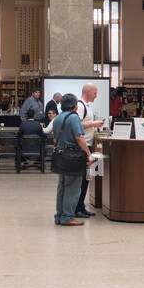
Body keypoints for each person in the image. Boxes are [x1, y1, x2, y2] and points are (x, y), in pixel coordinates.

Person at [53, 93, 90, 227]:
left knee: (62, 187)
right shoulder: (73, 117)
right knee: (73, 188)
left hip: (61, 156)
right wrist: (88, 154)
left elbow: (55, 139)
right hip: (72, 157)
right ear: (75, 105)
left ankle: (59, 215)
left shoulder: (57, 118)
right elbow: (79, 137)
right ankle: (68, 217)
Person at [73, 83, 107, 218]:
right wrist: (94, 124)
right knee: (82, 180)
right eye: (95, 92)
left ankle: (81, 206)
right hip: (82, 148)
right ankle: (77, 208)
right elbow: (77, 124)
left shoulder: (86, 106)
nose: (96, 95)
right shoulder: (80, 106)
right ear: (88, 91)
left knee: (86, 179)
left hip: (87, 147)